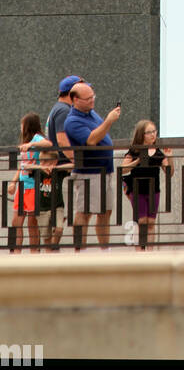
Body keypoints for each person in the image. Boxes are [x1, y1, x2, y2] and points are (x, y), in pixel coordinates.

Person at [63, 82, 121, 251]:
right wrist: (109, 121)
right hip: (89, 173)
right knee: (85, 212)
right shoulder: (72, 121)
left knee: (105, 211)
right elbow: (91, 140)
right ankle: (80, 251)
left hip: (105, 171)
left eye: (93, 97)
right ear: (75, 100)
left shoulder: (91, 114)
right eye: (88, 99)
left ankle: (105, 249)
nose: (92, 101)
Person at [43, 74, 83, 247]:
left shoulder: (57, 109)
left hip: (56, 170)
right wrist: (77, 160)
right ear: (72, 93)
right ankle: (51, 256)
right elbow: (62, 140)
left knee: (55, 219)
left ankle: (51, 254)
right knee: (57, 220)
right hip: (61, 169)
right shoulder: (64, 110)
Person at [121, 121, 173, 249]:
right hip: (137, 189)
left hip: (153, 189)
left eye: (154, 131)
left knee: (150, 222)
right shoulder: (134, 151)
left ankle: (150, 251)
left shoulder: (158, 153)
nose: (152, 135)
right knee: (141, 221)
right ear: (141, 135)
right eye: (149, 132)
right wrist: (137, 161)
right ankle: (139, 250)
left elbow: (169, 172)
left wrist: (169, 157)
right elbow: (123, 169)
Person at [8, 113, 50, 252]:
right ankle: (17, 252)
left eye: (22, 125)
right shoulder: (25, 142)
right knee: (16, 222)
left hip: (34, 185)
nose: (21, 128)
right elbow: (23, 165)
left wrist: (32, 144)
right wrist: (13, 182)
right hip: (22, 185)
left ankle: (33, 253)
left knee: (32, 223)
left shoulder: (37, 139)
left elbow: (48, 144)